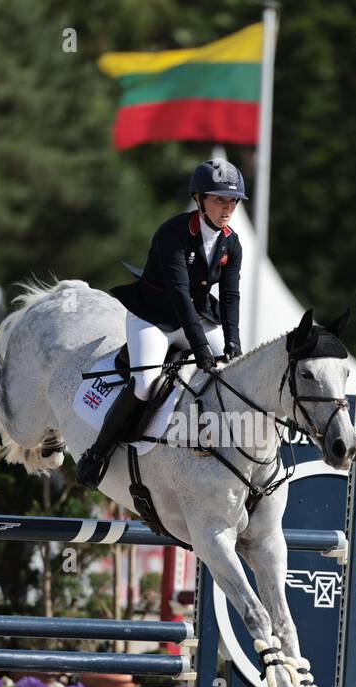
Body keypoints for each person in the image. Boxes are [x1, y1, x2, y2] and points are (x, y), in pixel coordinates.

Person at [76, 158, 247, 488]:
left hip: (195, 317)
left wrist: (233, 344)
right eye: (219, 200)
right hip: (153, 318)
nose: (227, 208)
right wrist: (202, 349)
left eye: (232, 201)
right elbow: (180, 295)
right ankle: (98, 453)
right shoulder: (173, 234)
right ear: (199, 200)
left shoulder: (231, 242)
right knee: (145, 384)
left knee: (232, 373)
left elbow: (230, 297)